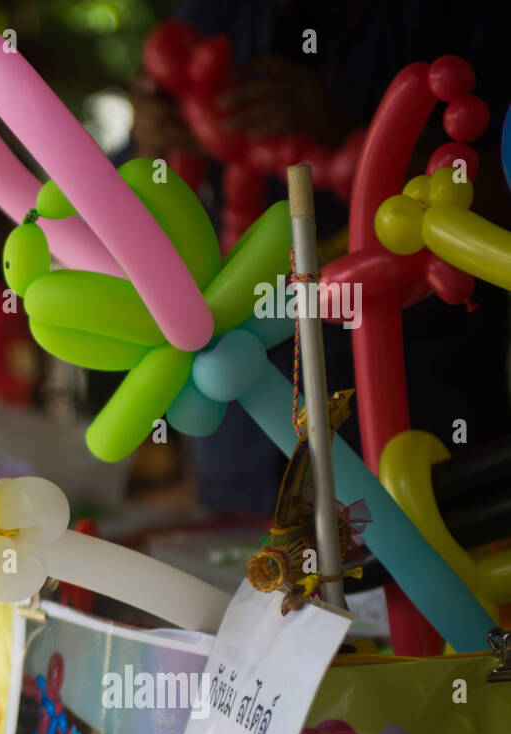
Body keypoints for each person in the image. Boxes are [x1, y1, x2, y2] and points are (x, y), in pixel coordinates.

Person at [130, 0, 511, 514]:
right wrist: (154, 141)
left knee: (416, 569)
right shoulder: (211, 13)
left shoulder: (460, 19)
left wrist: (349, 133)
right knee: (249, 582)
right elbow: (128, 209)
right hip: (239, 431)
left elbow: (496, 194)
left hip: (416, 415)